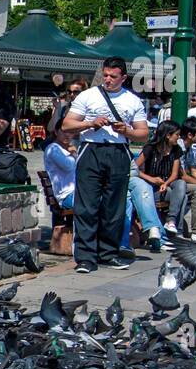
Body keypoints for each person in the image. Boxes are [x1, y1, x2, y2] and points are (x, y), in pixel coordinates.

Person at [61, 56, 150, 272]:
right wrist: (90, 122)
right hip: (91, 149)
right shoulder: (88, 96)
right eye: (106, 75)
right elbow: (66, 125)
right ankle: (85, 257)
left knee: (114, 206)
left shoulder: (132, 100)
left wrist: (126, 130)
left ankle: (108, 253)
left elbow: (143, 133)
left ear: (123, 78)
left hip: (118, 151)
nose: (108, 79)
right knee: (87, 205)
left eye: (113, 76)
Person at [131, 119, 187, 245]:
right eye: (176, 135)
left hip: (167, 185)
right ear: (168, 135)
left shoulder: (176, 149)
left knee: (181, 184)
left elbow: (174, 174)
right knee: (184, 198)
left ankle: (171, 221)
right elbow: (135, 169)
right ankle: (176, 231)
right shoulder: (150, 148)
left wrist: (165, 184)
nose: (178, 138)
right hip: (151, 187)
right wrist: (151, 179)